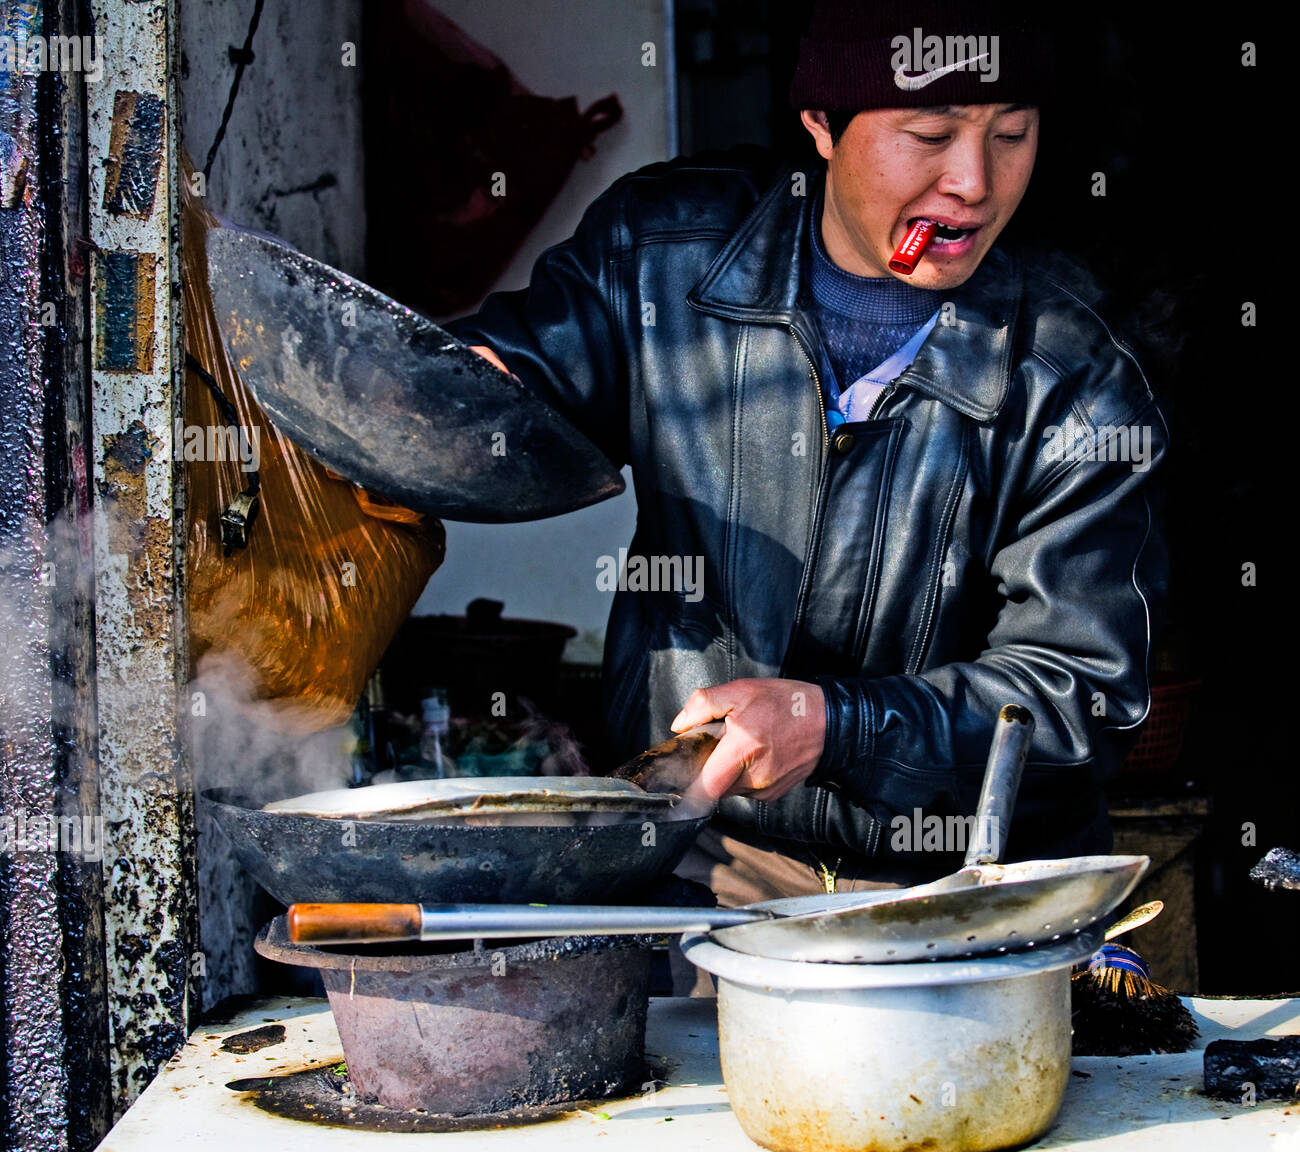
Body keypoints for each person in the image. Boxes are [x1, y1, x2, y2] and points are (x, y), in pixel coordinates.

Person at [450, 0, 1167, 914]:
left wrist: (842, 727)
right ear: (822, 123)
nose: (975, 182)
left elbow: (1079, 693)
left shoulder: (1076, 385)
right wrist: (440, 404)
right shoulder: (662, 259)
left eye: (1013, 134)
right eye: (931, 132)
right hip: (701, 867)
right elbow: (503, 394)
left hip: (966, 892)